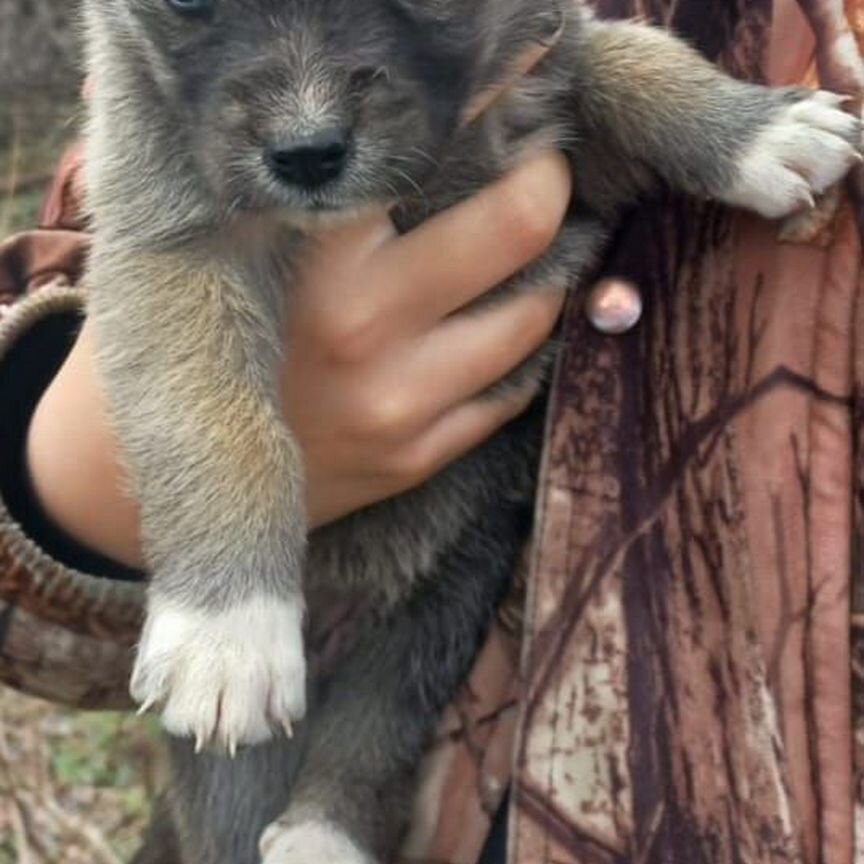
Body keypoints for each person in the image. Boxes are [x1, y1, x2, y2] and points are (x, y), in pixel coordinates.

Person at [0, 1, 862, 863]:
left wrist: (713, 126)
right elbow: (164, 255)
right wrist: (74, 492)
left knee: (410, 656)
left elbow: (582, 67)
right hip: (262, 572)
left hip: (487, 586)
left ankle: (336, 817)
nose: (309, 118)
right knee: (225, 755)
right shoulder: (149, 101)